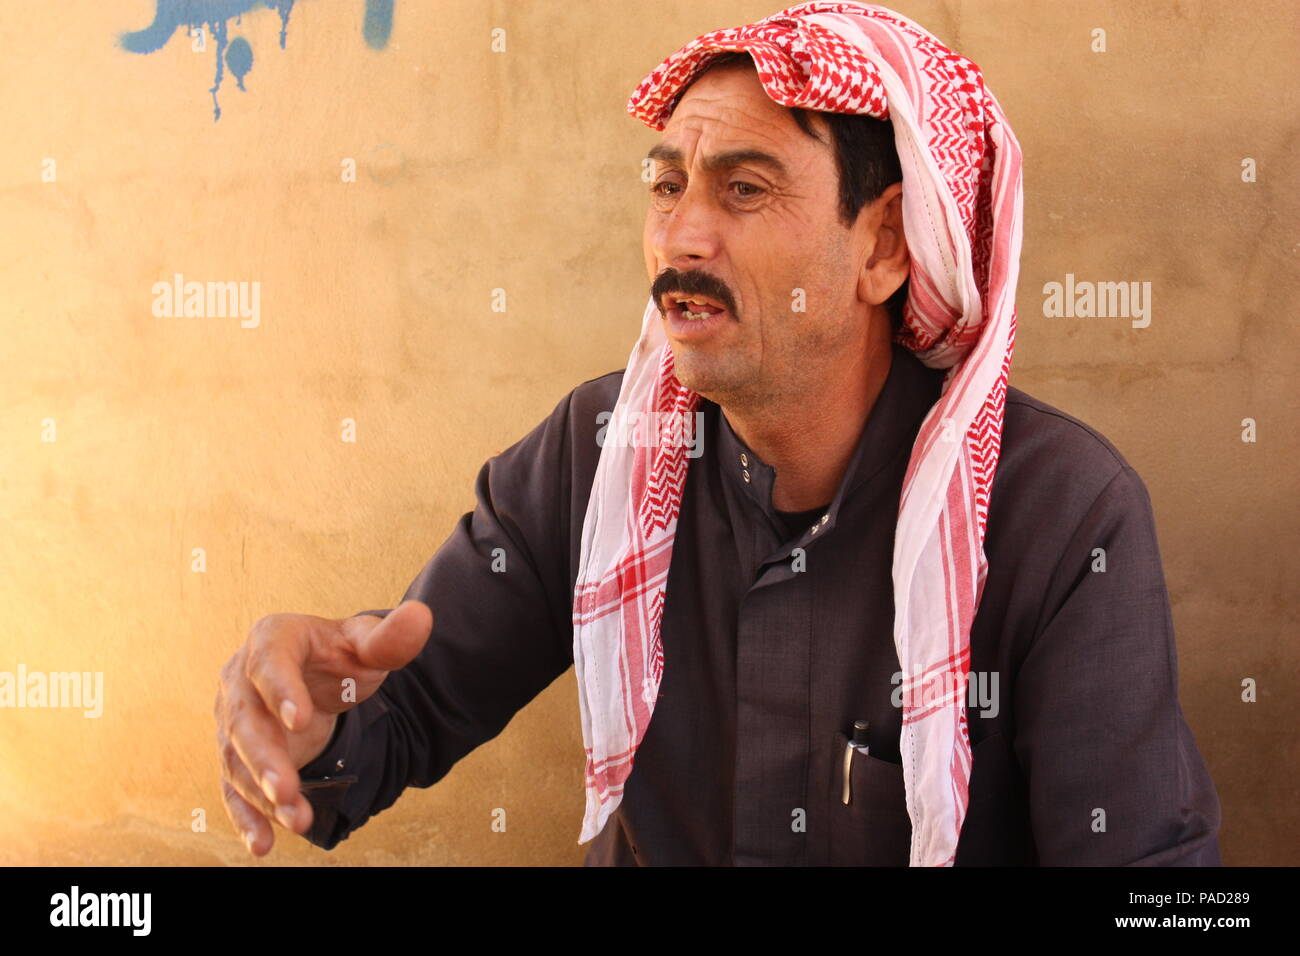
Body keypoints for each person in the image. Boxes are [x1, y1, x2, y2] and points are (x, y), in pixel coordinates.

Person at [213, 2, 1222, 866]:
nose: (681, 234)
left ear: (881, 248)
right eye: (666, 186)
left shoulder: (1059, 514)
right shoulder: (598, 448)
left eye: (743, 189)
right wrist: (312, 718)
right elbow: (396, 720)